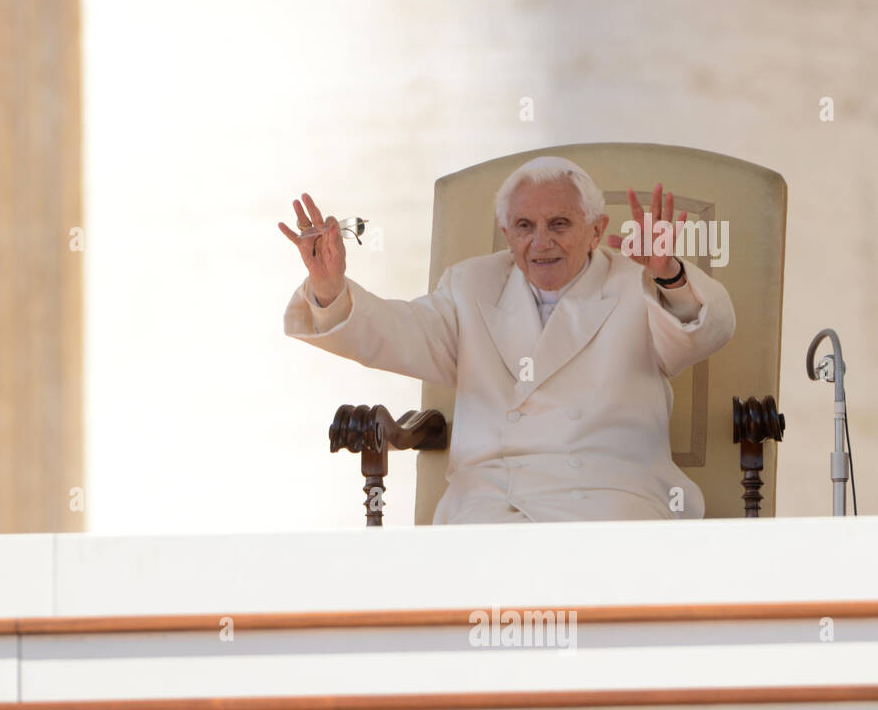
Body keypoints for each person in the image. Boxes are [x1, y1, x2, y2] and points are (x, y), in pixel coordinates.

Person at [280, 156, 736, 523]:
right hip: (492, 497)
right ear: (506, 233)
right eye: (524, 226)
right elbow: (398, 332)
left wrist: (671, 276)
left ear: (596, 229)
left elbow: (703, 334)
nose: (541, 243)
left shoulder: (637, 280)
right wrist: (329, 288)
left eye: (559, 224)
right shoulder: (471, 284)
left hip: (611, 491)